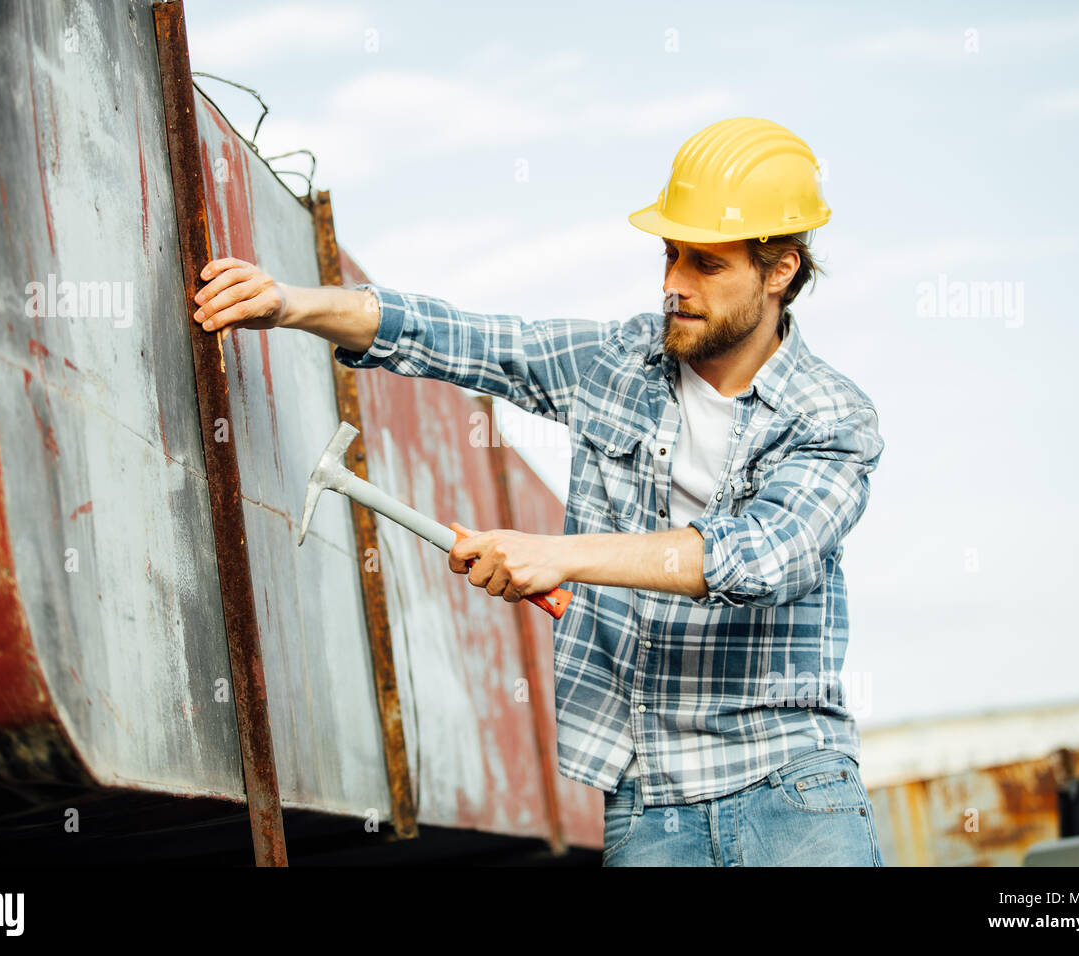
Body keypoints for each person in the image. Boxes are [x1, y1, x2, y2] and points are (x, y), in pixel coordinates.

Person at [190, 117, 886, 867]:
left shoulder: (833, 416)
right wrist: (291, 306)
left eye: (706, 265)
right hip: (648, 807)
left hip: (789, 791)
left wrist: (558, 556)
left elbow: (758, 557)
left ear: (779, 270)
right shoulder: (616, 366)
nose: (673, 285)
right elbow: (466, 338)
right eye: (670, 254)